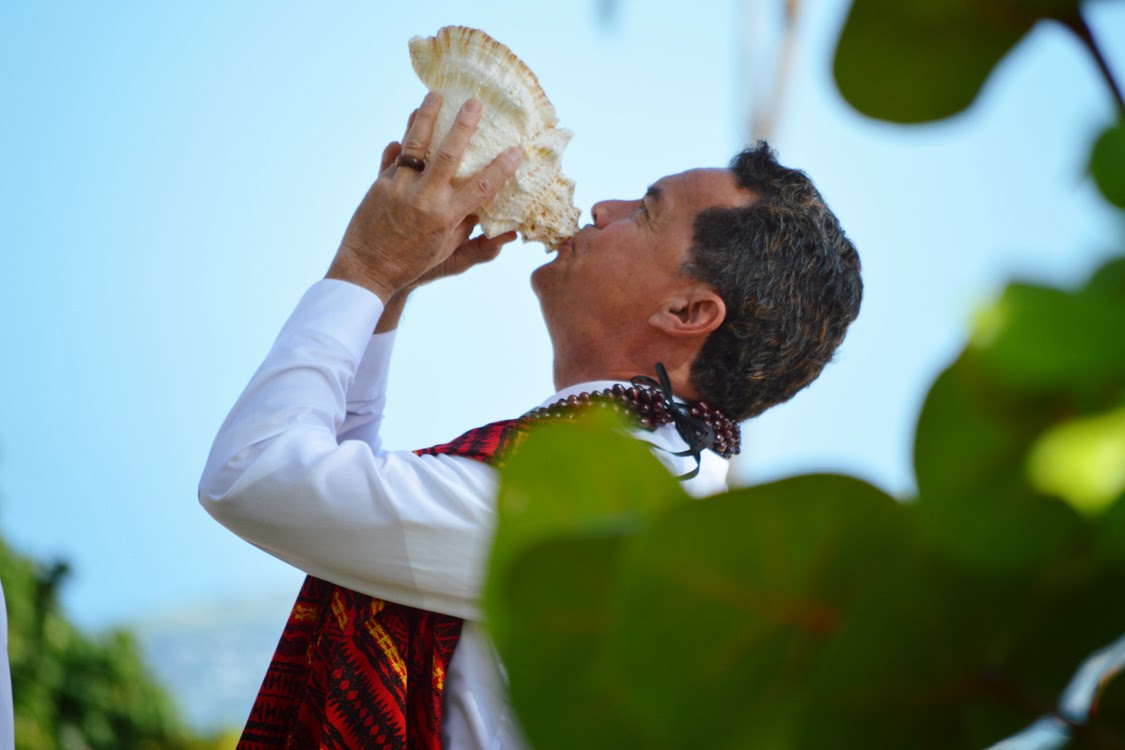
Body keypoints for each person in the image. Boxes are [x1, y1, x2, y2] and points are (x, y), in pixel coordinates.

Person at [199, 91, 862, 749]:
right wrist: (395, 281)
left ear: (687, 313)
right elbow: (345, 513)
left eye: (645, 210)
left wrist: (366, 265)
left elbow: (256, 476)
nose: (603, 209)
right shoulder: (648, 479)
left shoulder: (605, 501)